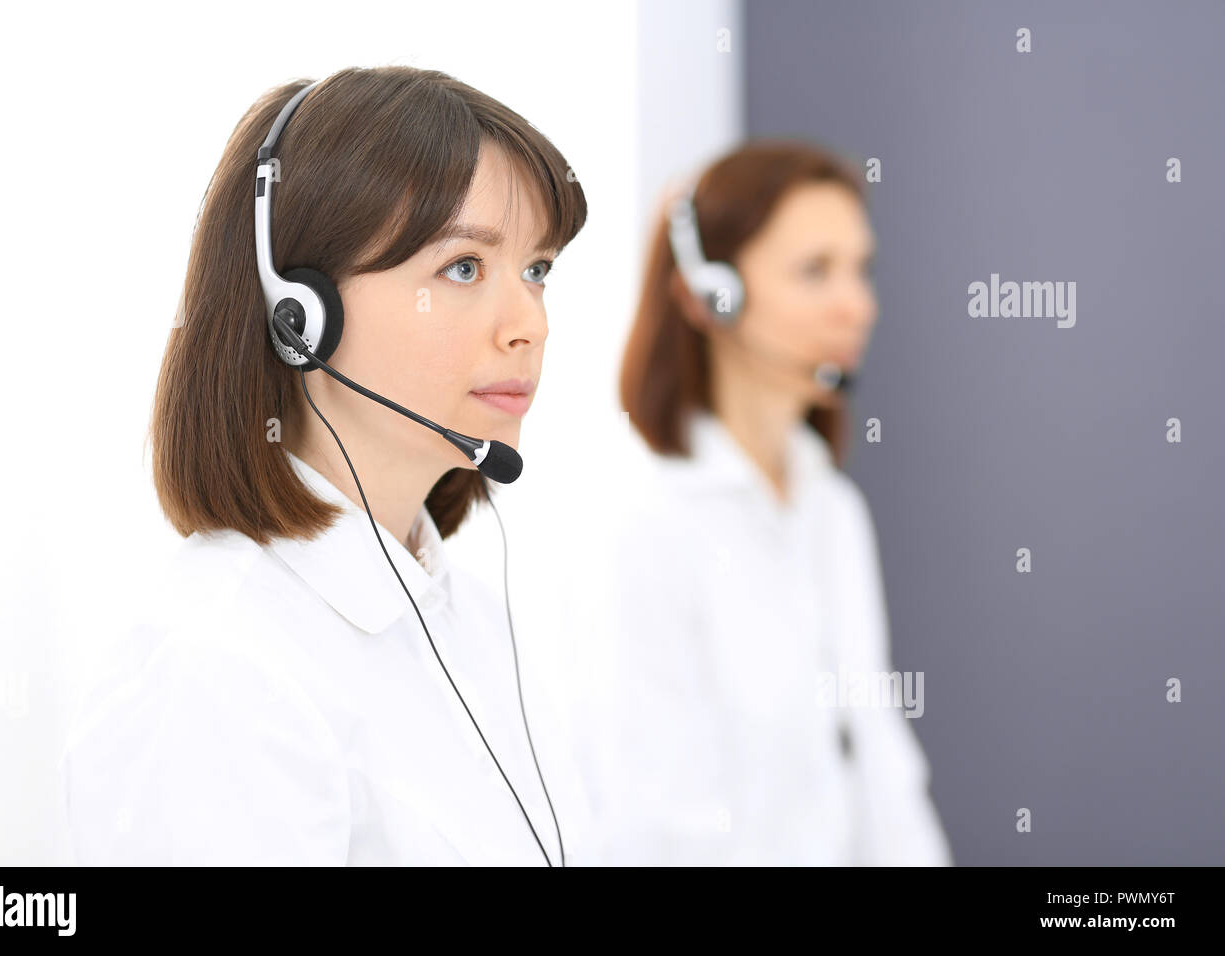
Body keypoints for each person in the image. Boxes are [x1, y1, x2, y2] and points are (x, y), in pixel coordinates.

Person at [57, 66, 589, 865]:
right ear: (300, 316)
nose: (529, 325)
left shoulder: (472, 621)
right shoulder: (219, 664)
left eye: (537, 270)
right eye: (465, 268)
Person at [591, 140, 952, 865]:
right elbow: (656, 820)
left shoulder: (832, 511)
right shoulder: (643, 521)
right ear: (707, 295)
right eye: (815, 271)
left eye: (861, 269)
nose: (858, 305)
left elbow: (882, 766)